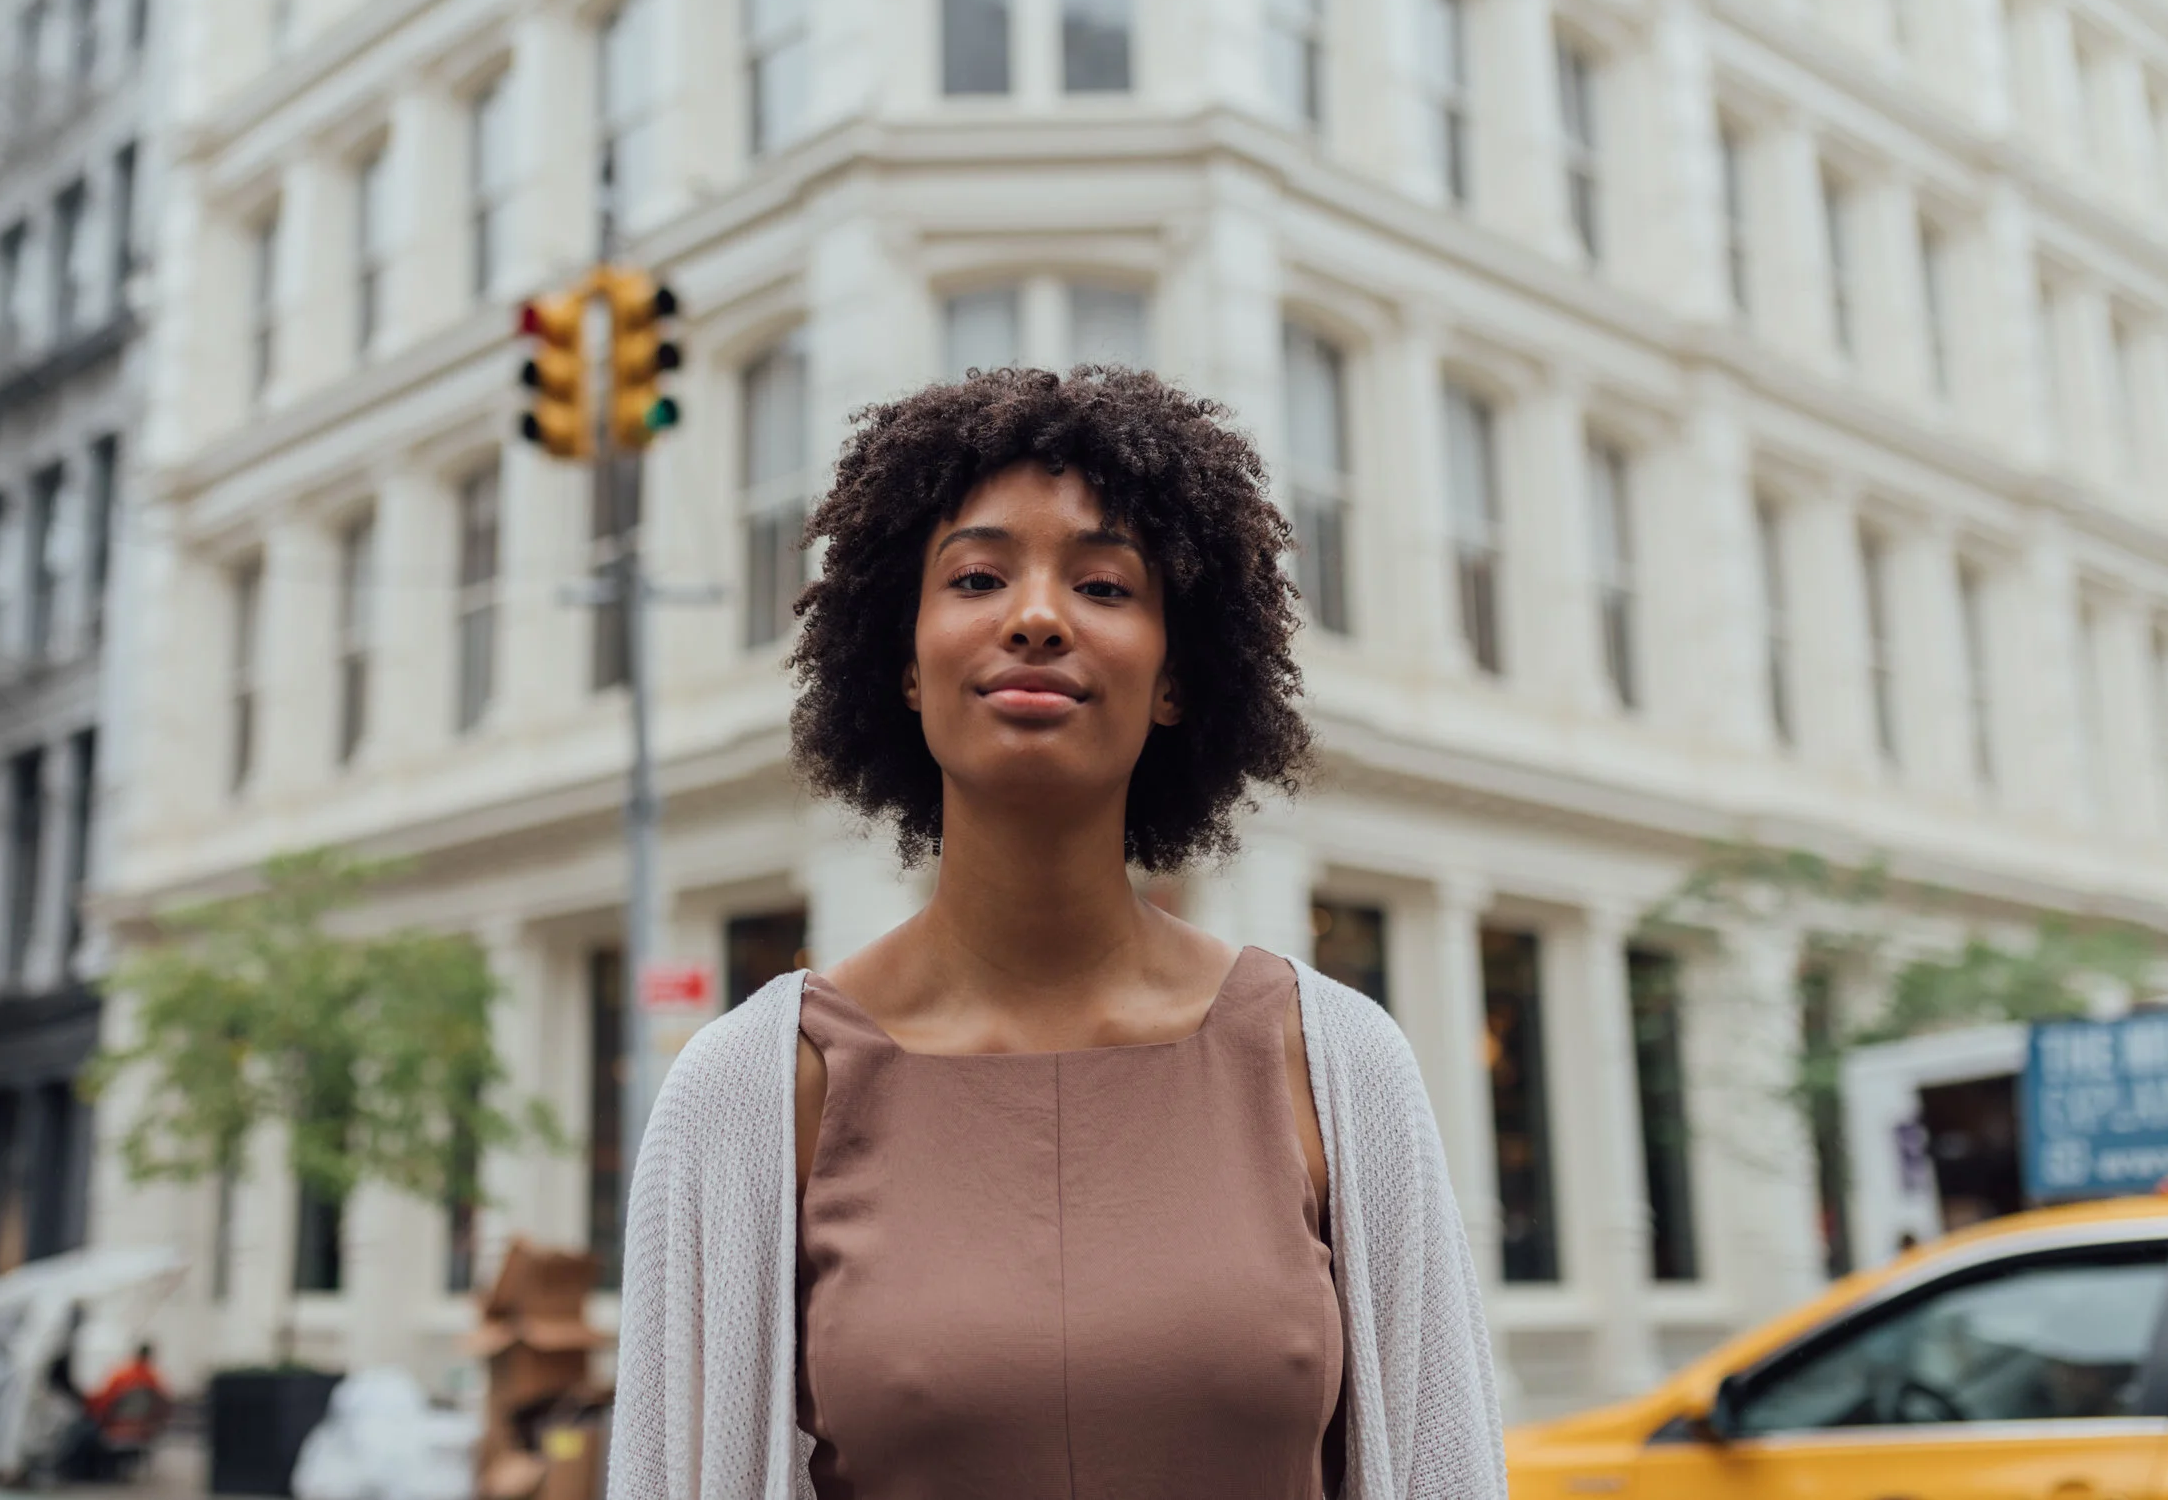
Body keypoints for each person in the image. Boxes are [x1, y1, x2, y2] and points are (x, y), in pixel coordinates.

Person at [607, 368, 1506, 1499]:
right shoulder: (747, 1089)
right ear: (903, 661)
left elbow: (1442, 1469)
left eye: (1104, 583)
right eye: (977, 576)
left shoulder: (1336, 1064)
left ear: (1176, 675)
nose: (1036, 615)